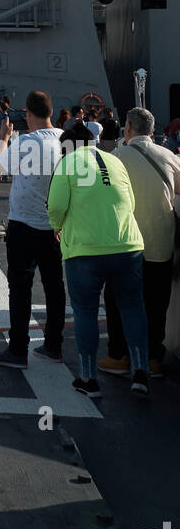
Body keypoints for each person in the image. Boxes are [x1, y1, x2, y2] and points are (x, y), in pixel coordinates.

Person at [47, 121, 149, 397]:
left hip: (85, 251)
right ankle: (141, 372)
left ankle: (88, 379)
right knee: (133, 308)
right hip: (127, 245)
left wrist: (58, 226)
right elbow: (130, 201)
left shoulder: (68, 163)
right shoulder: (114, 161)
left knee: (86, 313)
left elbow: (55, 205)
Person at [0, 90, 66, 368]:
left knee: (20, 288)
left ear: (28, 114)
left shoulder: (27, 141)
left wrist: (5, 138)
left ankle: (18, 350)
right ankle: (54, 345)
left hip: (24, 225)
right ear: (51, 112)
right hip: (55, 228)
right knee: (55, 287)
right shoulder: (66, 141)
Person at [100, 107, 180, 378]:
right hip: (160, 241)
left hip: (126, 242)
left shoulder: (115, 157)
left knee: (117, 298)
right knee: (157, 302)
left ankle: (119, 355)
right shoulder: (168, 155)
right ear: (152, 130)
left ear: (128, 129)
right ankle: (153, 358)